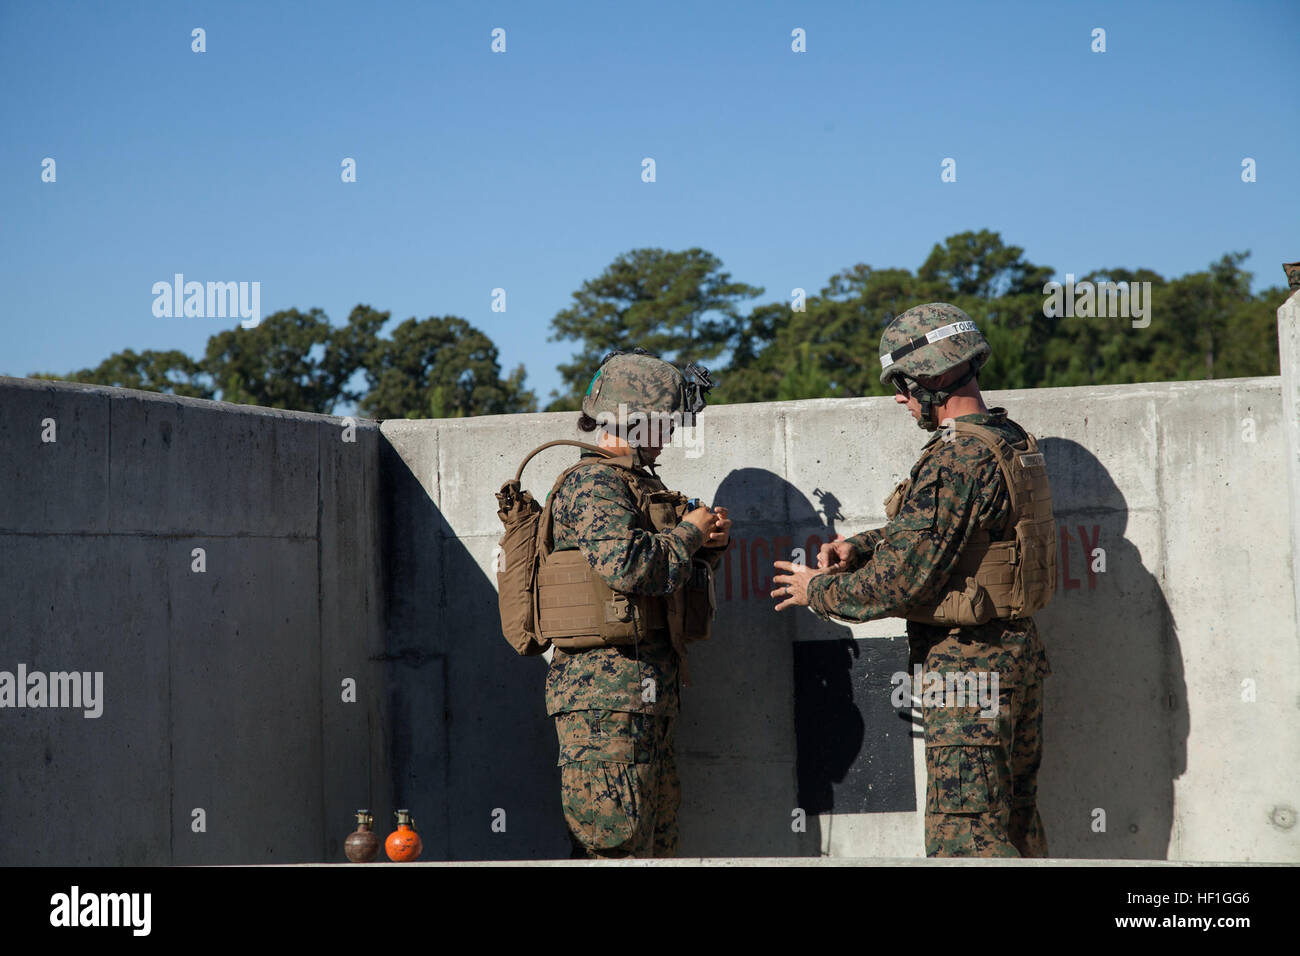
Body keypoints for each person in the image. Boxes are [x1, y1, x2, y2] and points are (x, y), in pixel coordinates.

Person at [771, 303, 1056, 858]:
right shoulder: (1007, 438)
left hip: (967, 669)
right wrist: (862, 544)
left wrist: (817, 591)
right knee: (1015, 824)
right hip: (1015, 658)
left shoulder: (956, 460)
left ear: (936, 376)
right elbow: (945, 533)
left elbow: (900, 581)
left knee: (967, 837)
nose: (900, 398)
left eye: (903, 384)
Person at [543, 349, 731, 858]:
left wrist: (705, 548)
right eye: (667, 422)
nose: (671, 434)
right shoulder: (595, 483)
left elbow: (664, 578)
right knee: (616, 845)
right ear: (639, 420)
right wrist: (691, 532)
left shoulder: (636, 483)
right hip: (604, 703)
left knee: (656, 845)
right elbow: (626, 565)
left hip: (641, 696)